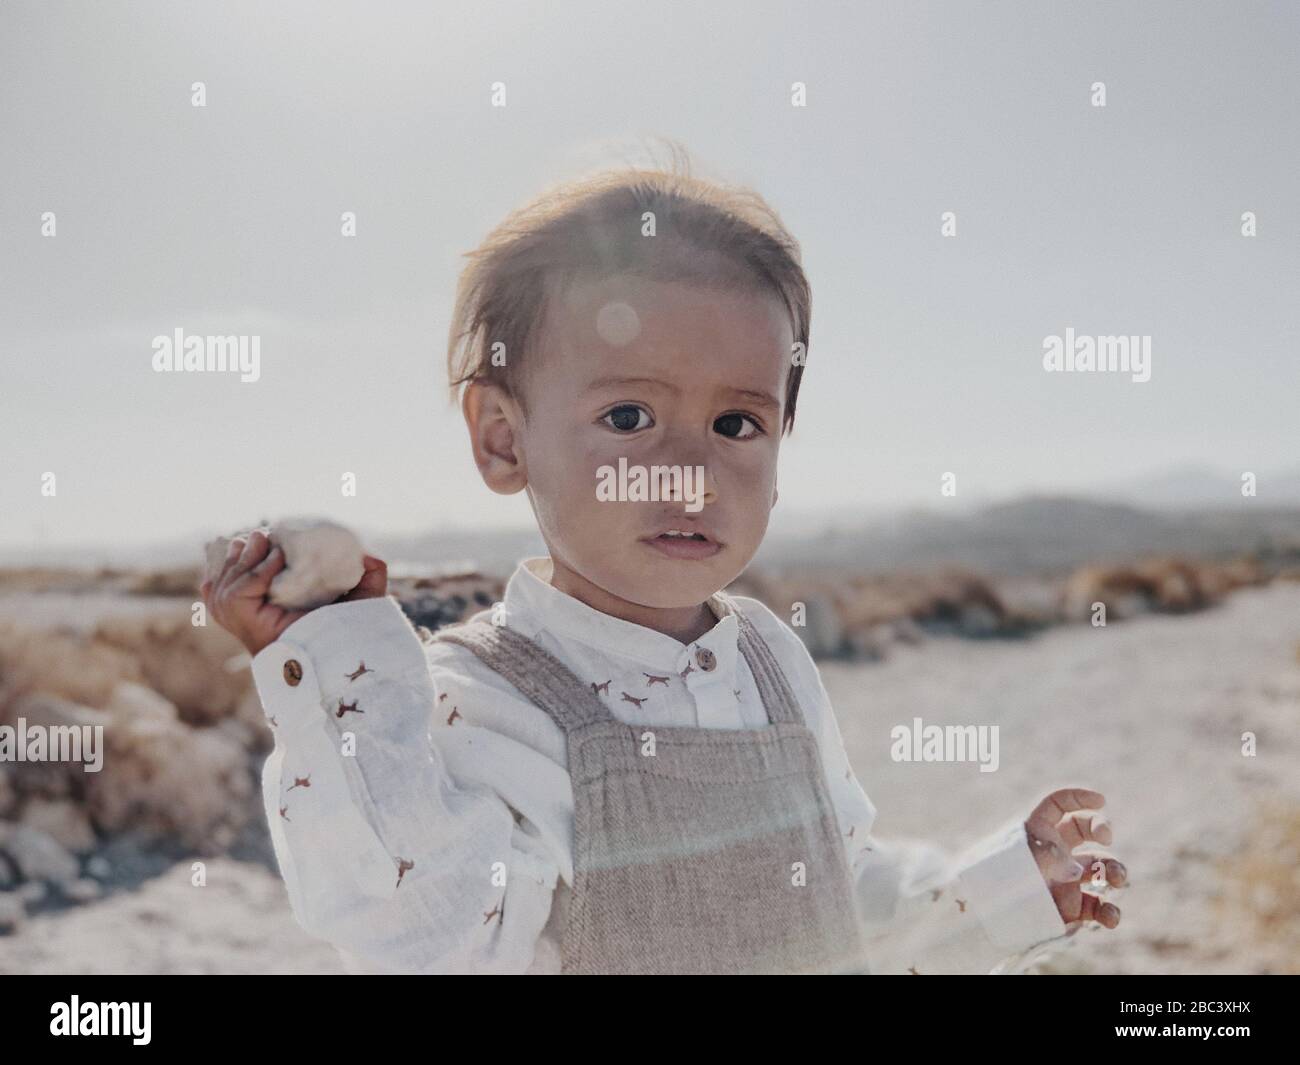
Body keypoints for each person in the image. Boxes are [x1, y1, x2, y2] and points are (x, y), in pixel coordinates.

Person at [203, 157, 1125, 974]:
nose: (693, 471)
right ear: (501, 435)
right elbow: (431, 934)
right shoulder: (479, 696)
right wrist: (340, 664)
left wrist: (1005, 892)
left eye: (737, 424)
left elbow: (845, 900)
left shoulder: (772, 659)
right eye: (630, 417)